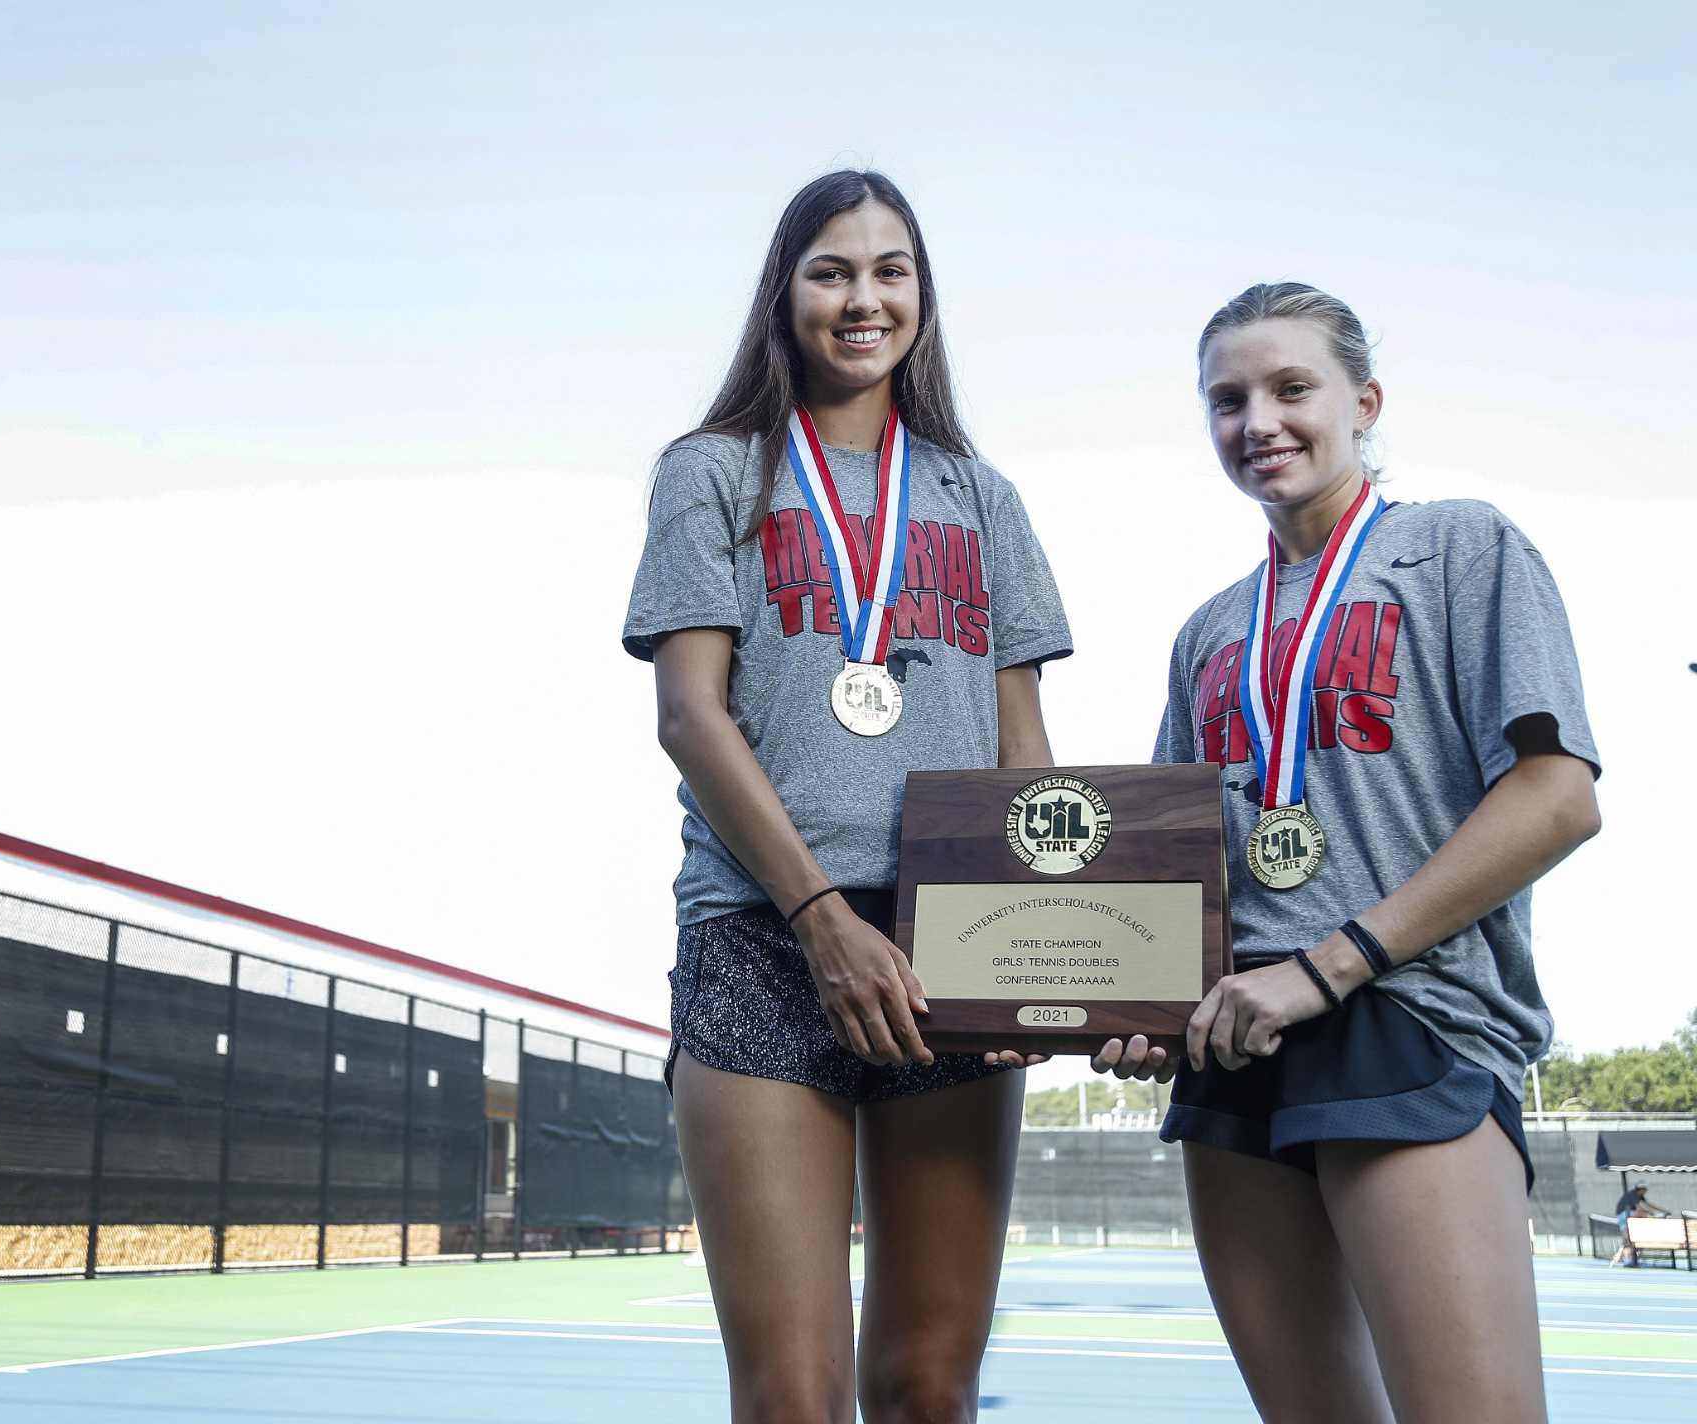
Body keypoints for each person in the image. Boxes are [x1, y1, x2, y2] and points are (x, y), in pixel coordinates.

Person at [1068, 282, 1601, 1423]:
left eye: (1288, 387)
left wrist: (1329, 963)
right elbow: (1176, 875)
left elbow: (1556, 797)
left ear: (1361, 401)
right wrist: (1131, 998)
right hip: (1238, 1044)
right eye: (1226, 399)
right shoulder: (1207, 630)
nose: (1256, 419)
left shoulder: (1460, 547)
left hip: (1404, 1017)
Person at [622, 170, 1071, 1423]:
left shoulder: (982, 499)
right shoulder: (711, 471)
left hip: (954, 946)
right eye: (831, 269)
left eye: (890, 270)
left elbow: (1021, 752)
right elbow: (688, 715)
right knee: (792, 1395)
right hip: (765, 937)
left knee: (930, 1386)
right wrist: (821, 915)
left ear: (921, 297)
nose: (862, 297)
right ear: (785, 294)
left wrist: (1085, 958)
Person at [1610, 1182, 1670, 1267]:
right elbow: (1639, 1208)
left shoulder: (1640, 1196)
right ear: (1641, 1189)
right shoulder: (1633, 1194)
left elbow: (1649, 1204)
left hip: (1627, 1218)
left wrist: (1663, 1210)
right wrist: (1651, 1214)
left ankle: (1628, 1259)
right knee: (1640, 1214)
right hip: (1623, 1215)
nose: (1645, 1192)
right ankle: (1628, 1259)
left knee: (1628, 1240)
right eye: (1644, 1190)